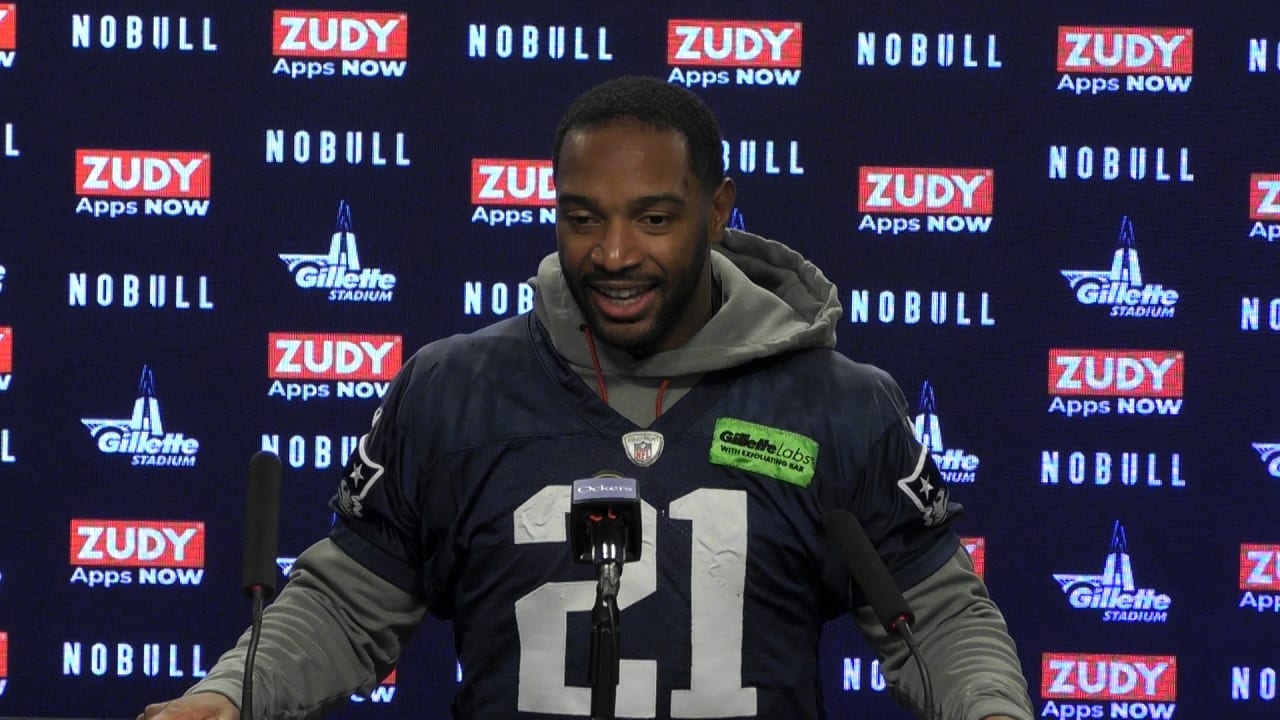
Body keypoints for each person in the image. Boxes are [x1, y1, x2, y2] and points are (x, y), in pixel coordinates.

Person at [141, 76, 1033, 720]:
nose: (612, 254)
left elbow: (939, 613)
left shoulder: (841, 407)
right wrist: (230, 695)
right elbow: (347, 600)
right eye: (581, 217)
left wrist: (991, 710)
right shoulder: (454, 389)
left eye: (653, 217)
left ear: (719, 210)